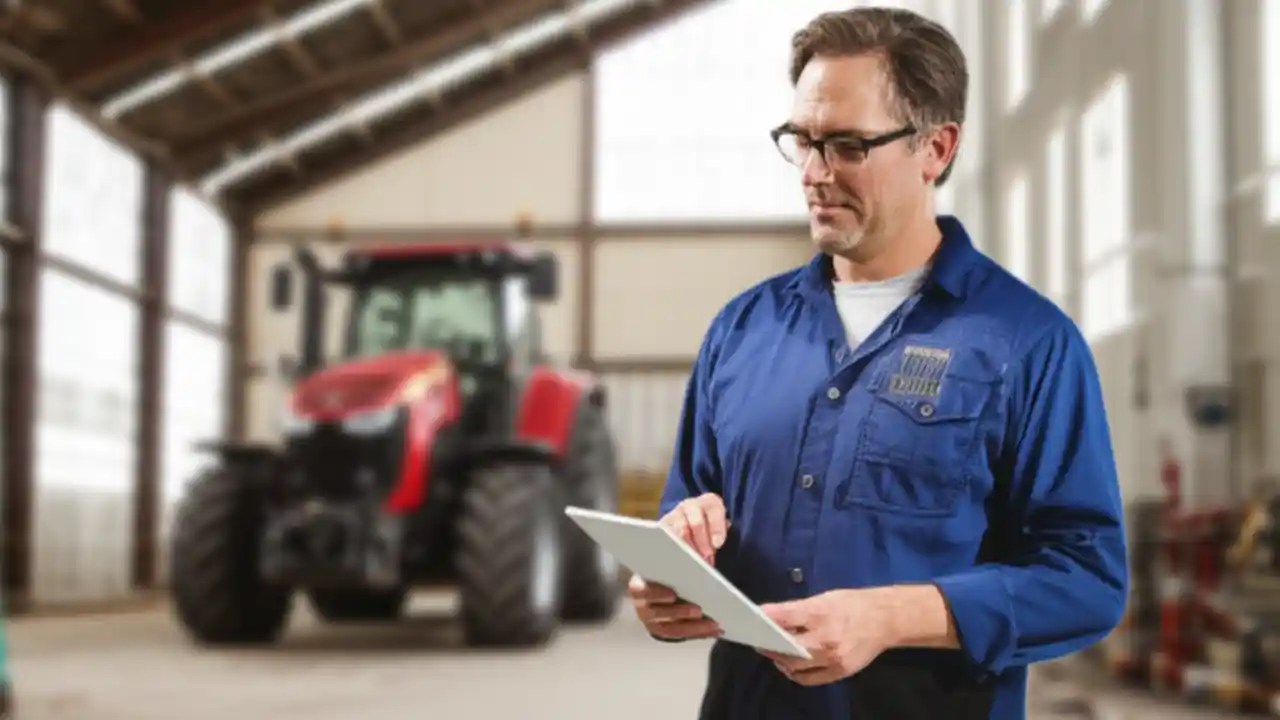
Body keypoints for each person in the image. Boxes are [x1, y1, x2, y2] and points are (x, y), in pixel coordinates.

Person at [627, 7, 1128, 720]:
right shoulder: (741, 332)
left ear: (936, 148)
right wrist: (667, 580)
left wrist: (892, 616)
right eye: (802, 140)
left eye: (848, 146)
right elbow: (686, 512)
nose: (814, 172)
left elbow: (1087, 580)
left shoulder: (1028, 345)